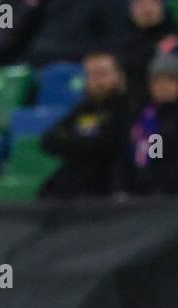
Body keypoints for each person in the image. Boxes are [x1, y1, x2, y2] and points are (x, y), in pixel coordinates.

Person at [113, 51, 178, 197]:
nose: (163, 85)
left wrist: (162, 190)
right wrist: (121, 189)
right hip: (141, 197)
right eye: (157, 80)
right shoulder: (141, 115)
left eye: (170, 79)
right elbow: (124, 156)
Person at [40, 48, 129, 199]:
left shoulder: (129, 109)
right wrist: (83, 141)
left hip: (108, 189)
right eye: (92, 75)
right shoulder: (84, 108)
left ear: (119, 77)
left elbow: (106, 143)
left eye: (103, 74)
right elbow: (48, 140)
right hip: (72, 190)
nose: (97, 81)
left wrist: (72, 139)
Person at [113, 0, 178, 94]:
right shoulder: (120, 38)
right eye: (140, 4)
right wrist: (156, 50)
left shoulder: (177, 33)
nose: (147, 9)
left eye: (152, 3)